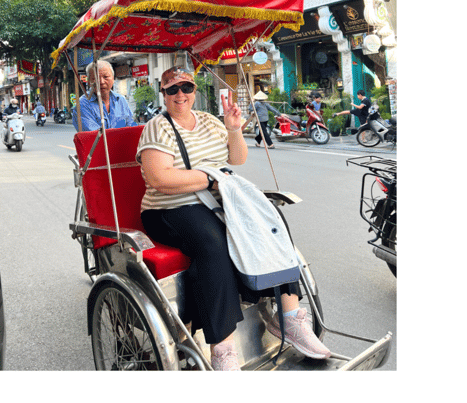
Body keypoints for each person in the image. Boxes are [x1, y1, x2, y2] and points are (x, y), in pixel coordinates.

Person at [137, 67, 329, 371]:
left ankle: (289, 318)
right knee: (213, 244)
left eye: (186, 87)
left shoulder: (211, 122)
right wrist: (211, 179)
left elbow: (237, 159)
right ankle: (222, 348)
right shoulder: (157, 127)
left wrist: (233, 128)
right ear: (163, 94)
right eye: (172, 89)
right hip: (169, 208)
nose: (180, 95)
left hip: (217, 201)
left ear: (195, 90)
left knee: (270, 222)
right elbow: (160, 178)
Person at [74, 59, 134, 131]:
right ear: (89, 82)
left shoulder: (121, 100)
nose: (101, 82)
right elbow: (94, 135)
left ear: (113, 79)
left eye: (106, 77)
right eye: (96, 78)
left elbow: (131, 127)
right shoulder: (82, 104)